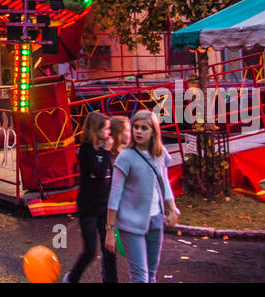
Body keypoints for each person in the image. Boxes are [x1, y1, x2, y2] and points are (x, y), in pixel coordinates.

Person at [106, 110, 180, 283]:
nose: (138, 131)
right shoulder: (125, 157)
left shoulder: (160, 154)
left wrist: (172, 208)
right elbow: (114, 196)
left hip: (155, 219)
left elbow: (164, 184)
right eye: (136, 127)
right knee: (140, 277)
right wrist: (110, 231)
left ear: (153, 131)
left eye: (144, 128)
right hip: (130, 223)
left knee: (151, 275)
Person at [64, 112, 117, 284]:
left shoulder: (103, 151)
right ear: (96, 130)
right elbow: (99, 173)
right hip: (89, 209)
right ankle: (72, 278)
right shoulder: (86, 151)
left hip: (104, 207)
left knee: (109, 248)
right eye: (107, 129)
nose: (109, 133)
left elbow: (109, 177)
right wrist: (107, 152)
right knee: (90, 251)